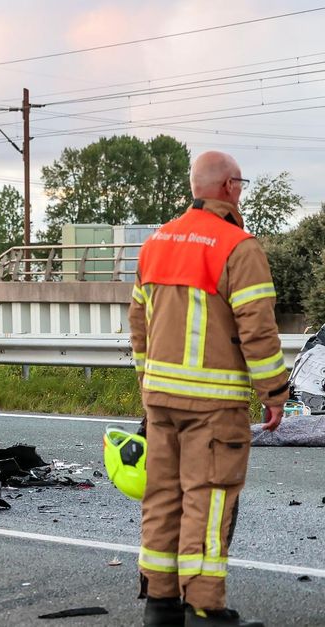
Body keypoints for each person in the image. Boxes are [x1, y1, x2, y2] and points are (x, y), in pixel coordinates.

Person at [128, 151, 287, 627]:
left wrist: (147, 381)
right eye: (241, 184)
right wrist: (274, 392)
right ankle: (203, 608)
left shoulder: (156, 242)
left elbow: (139, 322)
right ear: (229, 187)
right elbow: (258, 329)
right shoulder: (238, 247)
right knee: (209, 496)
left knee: (162, 496)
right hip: (214, 404)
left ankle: (161, 604)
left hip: (160, 397)